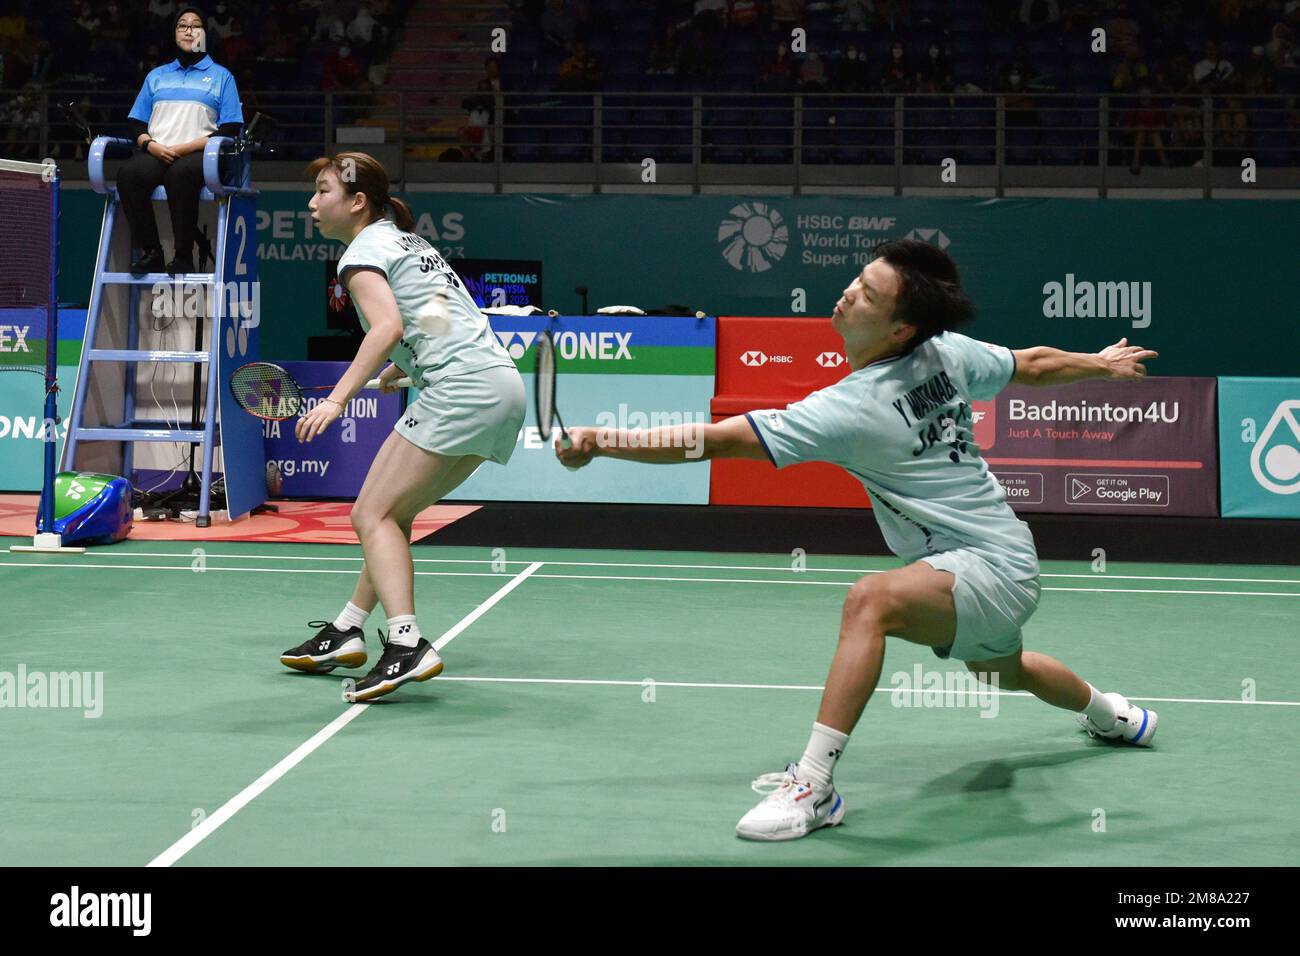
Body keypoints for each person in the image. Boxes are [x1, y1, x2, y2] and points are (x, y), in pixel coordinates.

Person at [555, 240, 1160, 841]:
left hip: (988, 565)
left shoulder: (850, 408)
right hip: (1000, 561)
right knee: (1003, 673)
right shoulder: (945, 352)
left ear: (900, 329)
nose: (849, 292)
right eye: (858, 279)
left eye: (868, 294)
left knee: (869, 601)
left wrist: (603, 441)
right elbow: (1031, 364)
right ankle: (1113, 716)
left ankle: (815, 786)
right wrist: (1100, 362)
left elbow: (711, 442)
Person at [279, 152, 526, 703]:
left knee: (371, 514)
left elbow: (388, 323)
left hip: (460, 389)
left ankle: (406, 643)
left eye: (322, 192)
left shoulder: (362, 254)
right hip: (500, 386)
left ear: (357, 201)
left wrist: (339, 398)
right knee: (394, 516)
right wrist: (401, 370)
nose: (312, 203)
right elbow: (436, 316)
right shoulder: (412, 244)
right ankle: (347, 630)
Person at [120, 6, 243, 275]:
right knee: (129, 174)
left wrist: (183, 148)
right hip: (157, 151)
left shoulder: (221, 76)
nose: (189, 30)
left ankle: (183, 255)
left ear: (204, 34)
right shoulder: (157, 76)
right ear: (174, 33)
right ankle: (151, 252)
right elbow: (136, 123)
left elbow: (231, 127)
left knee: (180, 174)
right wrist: (149, 145)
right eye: (182, 25)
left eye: (195, 25)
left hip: (201, 154)